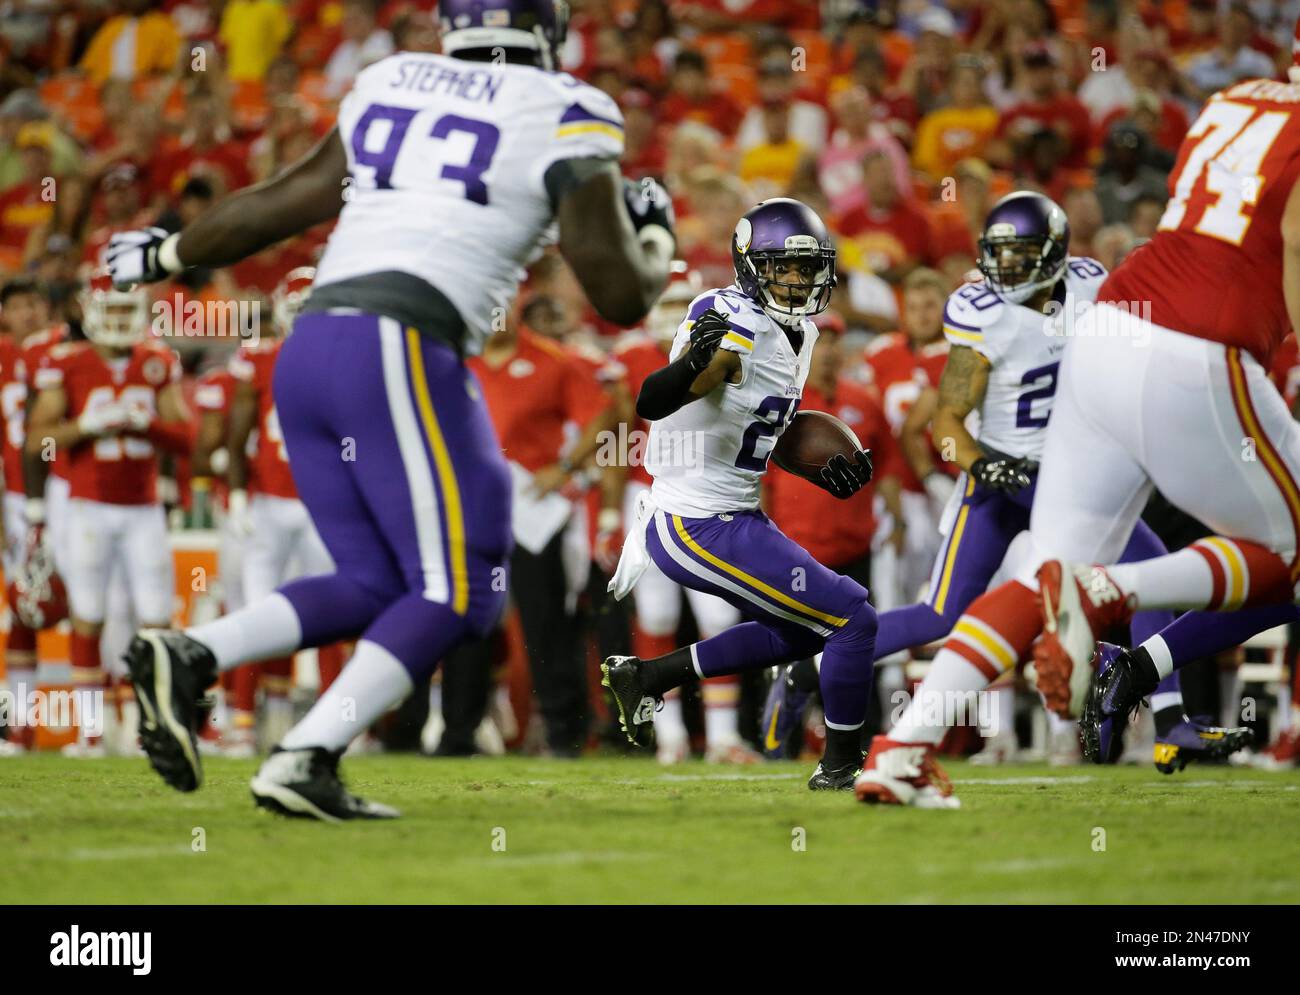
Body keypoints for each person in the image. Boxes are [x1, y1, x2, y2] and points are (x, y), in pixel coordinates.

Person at [105, 0, 673, 821]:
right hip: (402, 343)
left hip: (311, 351)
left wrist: (167, 251)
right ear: (546, 28)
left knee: (378, 581)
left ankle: (190, 655)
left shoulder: (390, 78)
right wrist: (651, 238)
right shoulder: (567, 106)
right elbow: (619, 294)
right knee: (465, 587)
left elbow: (289, 197)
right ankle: (303, 753)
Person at [603, 198, 877, 791]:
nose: (798, 280)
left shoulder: (797, 332)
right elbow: (653, 402)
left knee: (807, 631)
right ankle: (843, 766)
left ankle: (646, 678)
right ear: (751, 265)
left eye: (807, 268)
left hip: (734, 512)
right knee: (854, 617)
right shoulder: (735, 323)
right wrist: (690, 366)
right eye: (783, 267)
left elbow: (755, 426)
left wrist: (807, 463)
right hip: (694, 520)